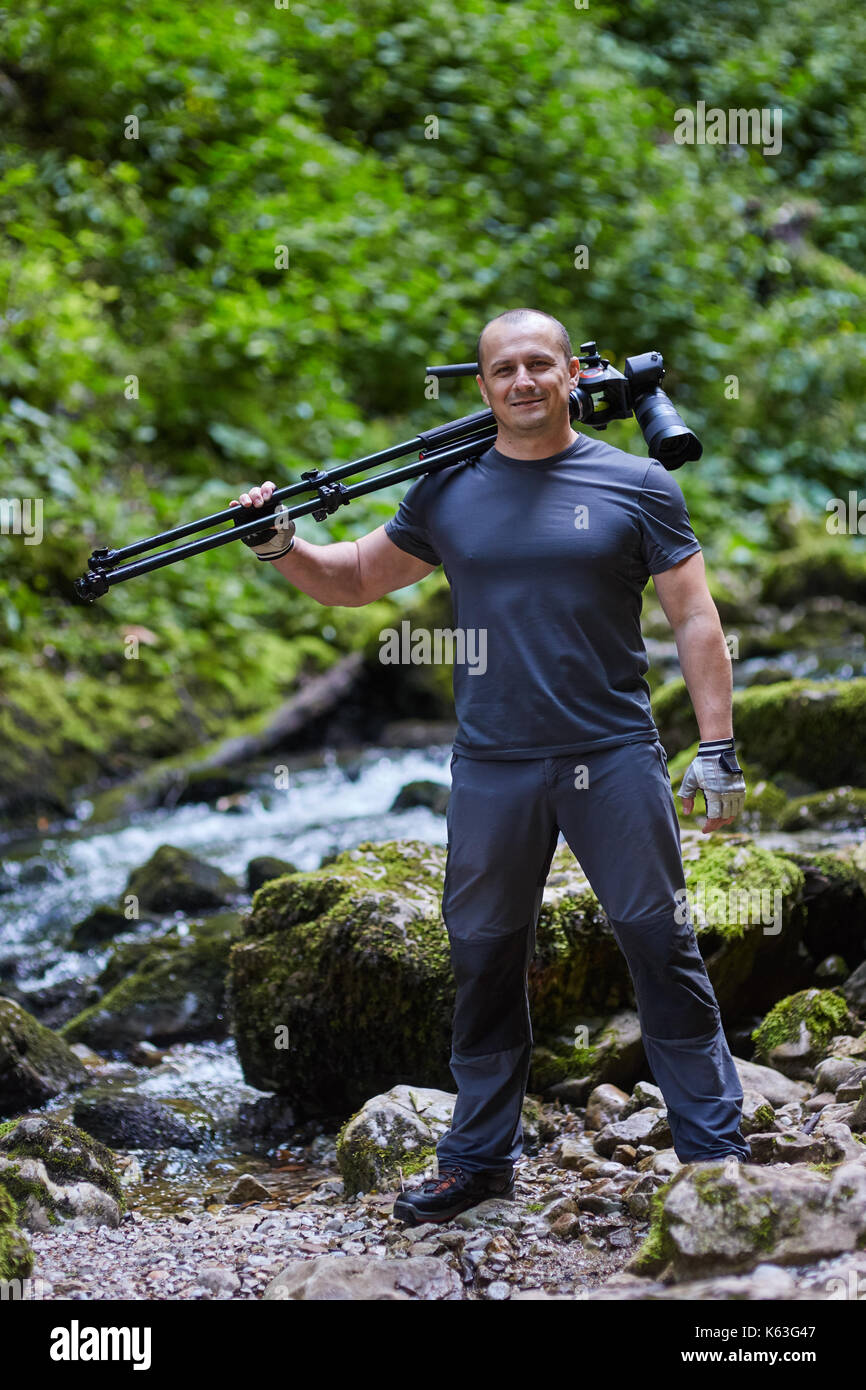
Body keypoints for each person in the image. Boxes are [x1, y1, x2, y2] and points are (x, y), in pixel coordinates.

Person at [229, 307, 750, 1228]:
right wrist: (278, 541)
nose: (522, 381)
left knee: (657, 943)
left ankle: (713, 1150)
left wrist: (717, 749)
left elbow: (696, 619)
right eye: (504, 368)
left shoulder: (637, 485)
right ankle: (477, 1159)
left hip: (614, 753)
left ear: (573, 377)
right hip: (494, 766)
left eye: (539, 365)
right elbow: (354, 576)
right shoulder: (448, 487)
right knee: (481, 958)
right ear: (482, 386)